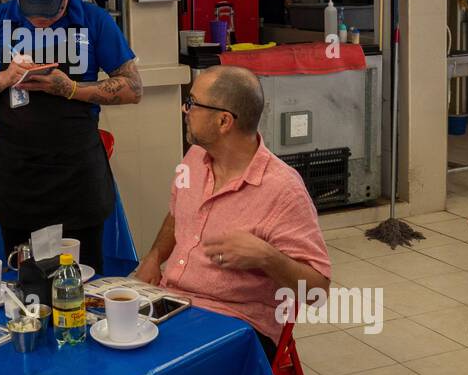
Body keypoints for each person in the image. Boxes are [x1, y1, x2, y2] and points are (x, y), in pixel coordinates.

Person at [0, 0, 142, 273]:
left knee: (83, 278)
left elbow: (132, 88)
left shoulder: (94, 21)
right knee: (24, 279)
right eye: (32, 7)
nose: (40, 18)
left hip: (78, 173)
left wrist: (70, 88)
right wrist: (3, 78)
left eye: (51, 7)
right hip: (18, 174)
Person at [135, 65, 330, 358]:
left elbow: (318, 292)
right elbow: (177, 215)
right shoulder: (195, 158)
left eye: (192, 103)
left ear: (224, 120)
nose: (183, 109)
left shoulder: (282, 189)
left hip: (238, 325)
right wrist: (154, 257)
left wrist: (266, 256)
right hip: (175, 304)